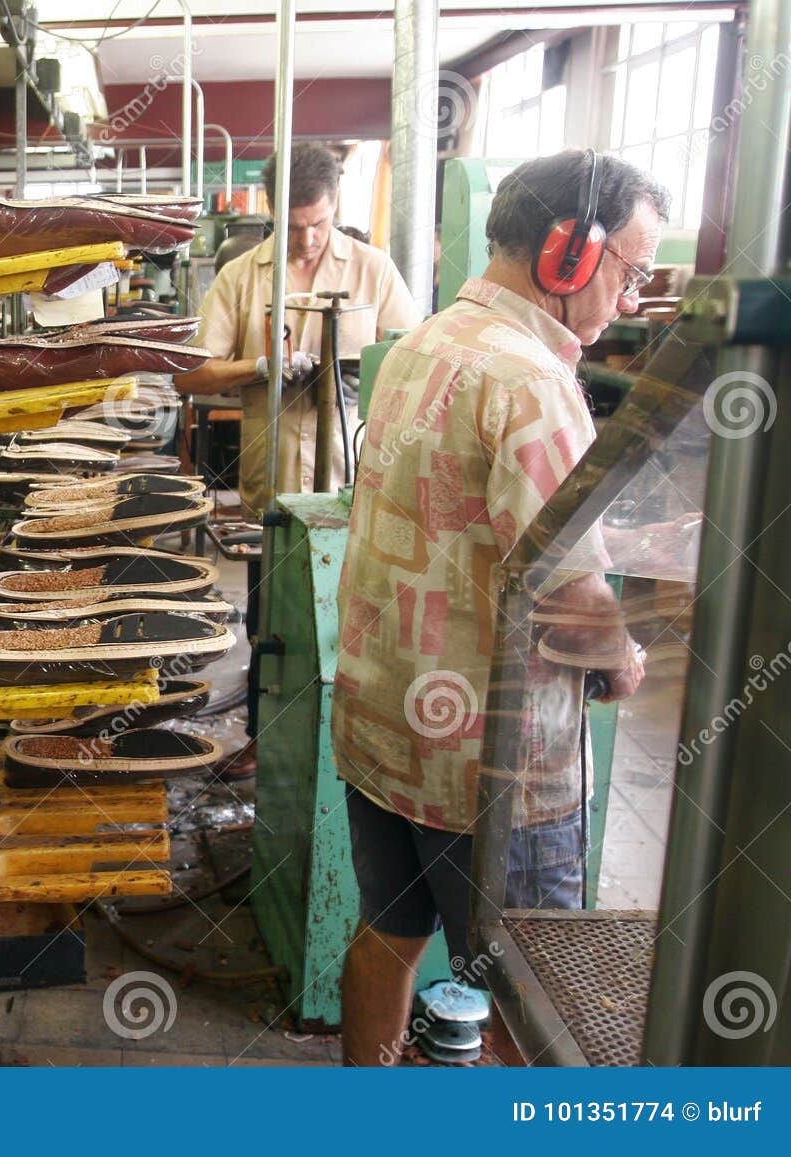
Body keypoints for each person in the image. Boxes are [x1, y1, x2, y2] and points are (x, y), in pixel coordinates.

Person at [332, 149, 667, 1065]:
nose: (630, 300)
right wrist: (623, 658)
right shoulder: (530, 381)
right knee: (531, 998)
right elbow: (569, 600)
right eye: (630, 272)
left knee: (390, 934)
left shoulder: (421, 344)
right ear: (568, 254)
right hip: (490, 766)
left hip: (382, 730)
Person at [176, 143, 421, 516]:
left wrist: (369, 382)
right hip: (271, 482)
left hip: (351, 484)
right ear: (271, 209)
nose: (307, 240)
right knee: (268, 573)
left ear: (335, 202)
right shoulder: (240, 277)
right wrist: (259, 368)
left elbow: (418, 370)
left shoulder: (375, 270)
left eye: (319, 224)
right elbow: (190, 377)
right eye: (294, 227)